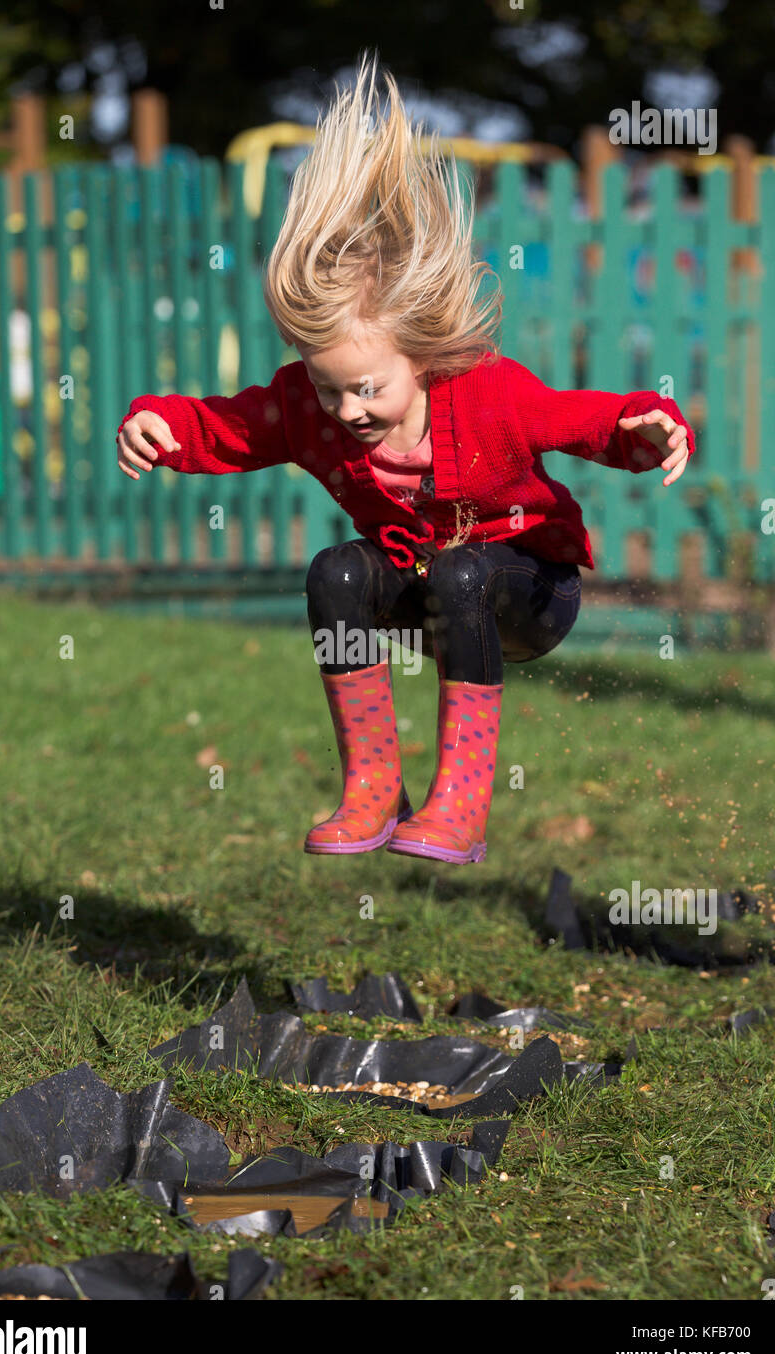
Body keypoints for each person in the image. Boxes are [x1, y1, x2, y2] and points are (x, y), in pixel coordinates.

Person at [117, 51, 694, 866]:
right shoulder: (310, 408)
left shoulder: (489, 394)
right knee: (333, 573)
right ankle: (375, 788)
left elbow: (583, 421)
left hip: (528, 595)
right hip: (425, 600)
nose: (346, 411)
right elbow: (229, 424)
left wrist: (648, 424)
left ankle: (460, 804)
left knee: (464, 569)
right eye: (328, 391)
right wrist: (160, 425)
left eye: (366, 388)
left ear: (419, 357)